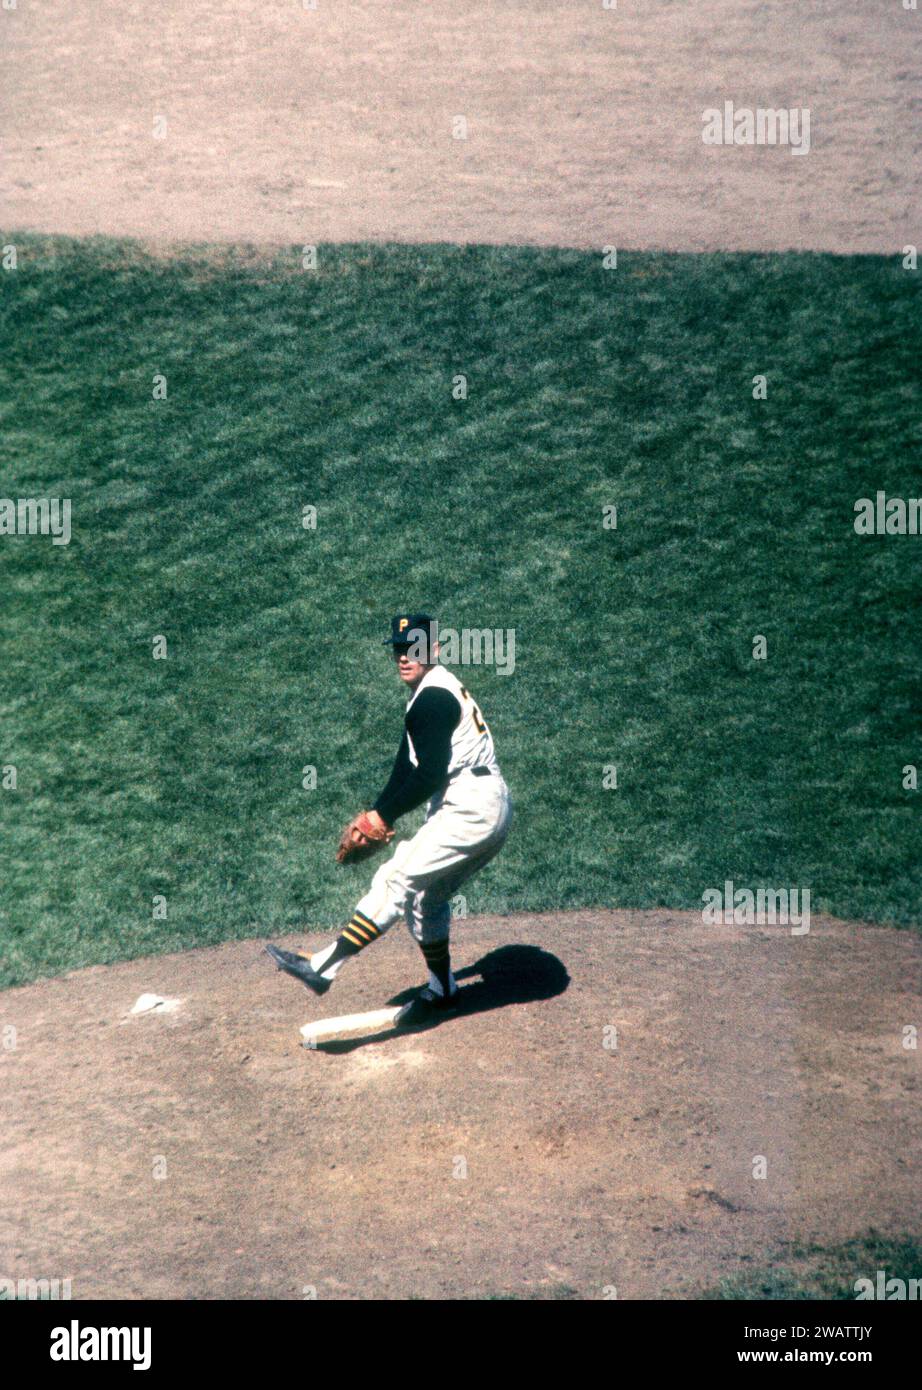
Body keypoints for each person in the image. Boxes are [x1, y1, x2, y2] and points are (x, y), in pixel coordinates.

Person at [265, 614, 513, 1027]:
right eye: (398, 648)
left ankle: (324, 967)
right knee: (425, 900)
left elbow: (431, 772)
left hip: (470, 806)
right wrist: (376, 811)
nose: (403, 657)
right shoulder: (427, 694)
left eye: (413, 648)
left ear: (433, 650)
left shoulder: (432, 700)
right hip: (487, 807)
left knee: (396, 878)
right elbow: (405, 766)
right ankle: (443, 989)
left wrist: (385, 815)